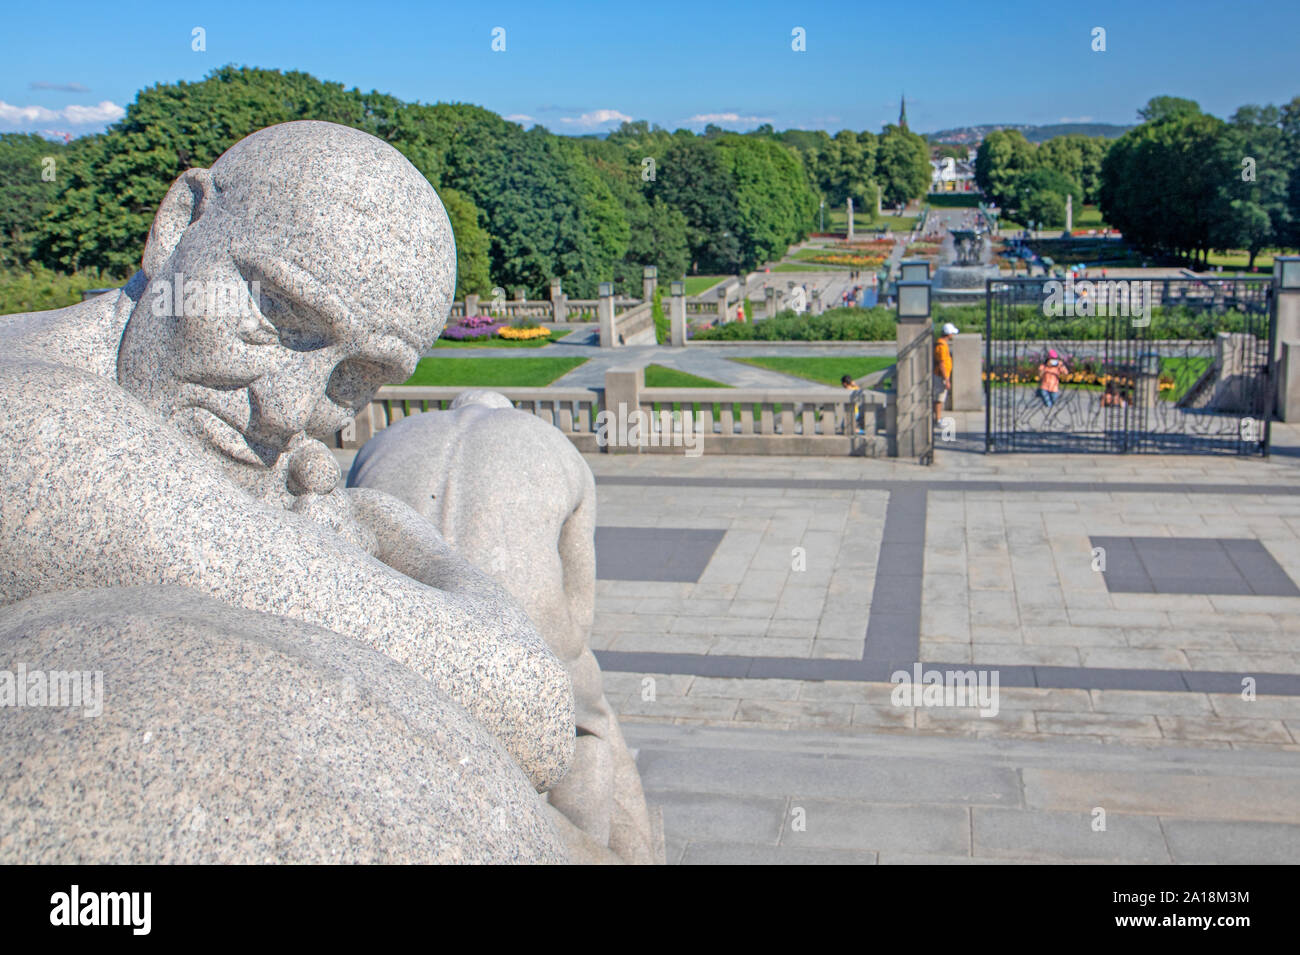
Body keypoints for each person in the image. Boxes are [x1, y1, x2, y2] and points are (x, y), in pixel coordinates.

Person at [934, 322, 957, 425]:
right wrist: (946, 379)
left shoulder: (941, 344)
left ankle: (937, 418)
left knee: (939, 398)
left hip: (941, 375)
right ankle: (938, 419)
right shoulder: (942, 346)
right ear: (948, 334)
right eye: (952, 333)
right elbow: (942, 364)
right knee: (939, 398)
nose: (953, 335)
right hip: (941, 376)